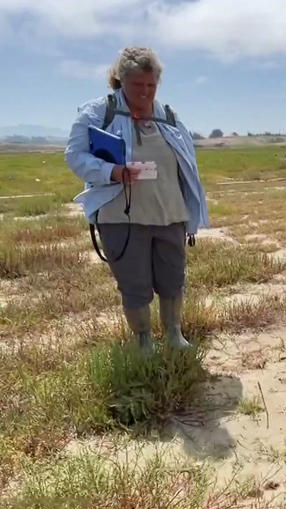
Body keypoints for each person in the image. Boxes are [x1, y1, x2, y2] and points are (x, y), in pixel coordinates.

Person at [65, 46, 209, 353]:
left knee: (173, 280)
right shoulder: (97, 113)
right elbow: (74, 155)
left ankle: (174, 335)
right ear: (120, 80)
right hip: (122, 218)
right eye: (137, 86)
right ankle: (143, 341)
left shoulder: (169, 115)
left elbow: (188, 163)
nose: (145, 93)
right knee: (135, 285)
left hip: (170, 214)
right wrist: (111, 171)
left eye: (151, 86)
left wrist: (190, 208)